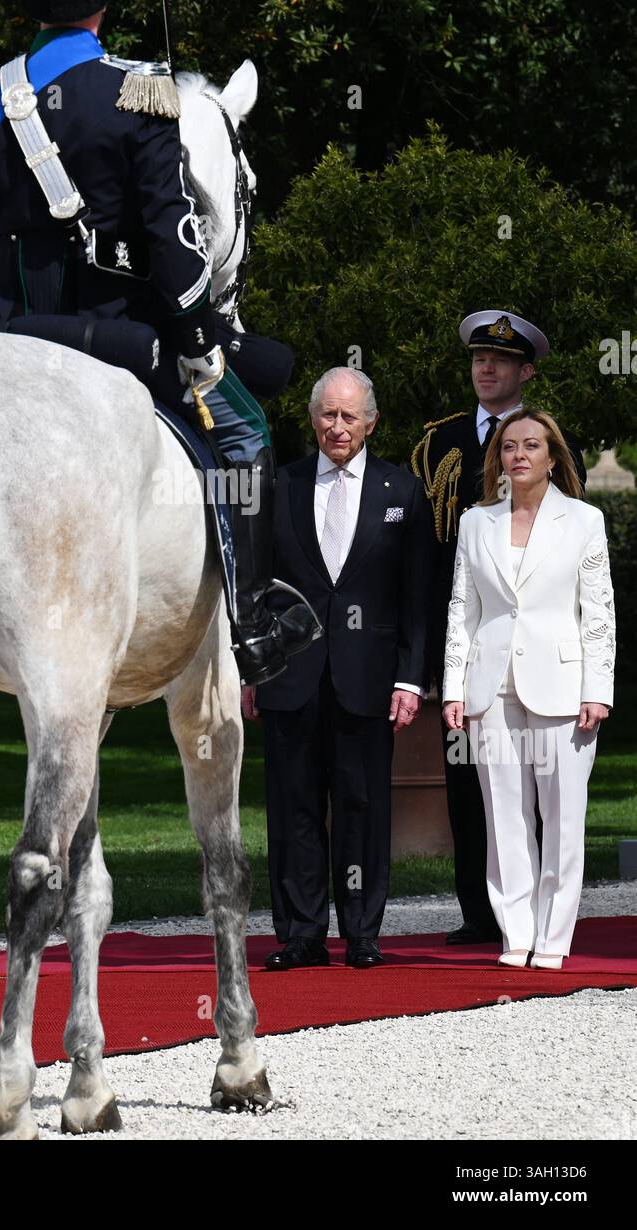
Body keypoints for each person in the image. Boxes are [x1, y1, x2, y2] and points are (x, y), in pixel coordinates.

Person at [0, 0, 316, 686]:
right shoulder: (135, 94)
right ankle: (253, 622)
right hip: (115, 334)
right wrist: (199, 335)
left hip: (3, 329)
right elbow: (176, 244)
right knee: (244, 425)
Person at [244, 368, 430, 969]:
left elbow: (416, 597)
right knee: (293, 805)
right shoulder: (281, 484)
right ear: (312, 418)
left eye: (350, 416)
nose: (338, 426)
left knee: (363, 805)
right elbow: (253, 588)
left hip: (368, 681)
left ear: (371, 422)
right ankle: (300, 934)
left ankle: (362, 931)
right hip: (289, 677)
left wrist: (409, 677)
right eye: (328, 414)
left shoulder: (402, 492)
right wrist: (251, 670)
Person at [411, 311, 587, 945]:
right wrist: (433, 656)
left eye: (500, 362)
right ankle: (480, 914)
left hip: (543, 656)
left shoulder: (547, 440)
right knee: (472, 786)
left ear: (524, 371)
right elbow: (430, 561)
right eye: (479, 360)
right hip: (468, 642)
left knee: (544, 797)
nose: (486, 369)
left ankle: (543, 924)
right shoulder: (441, 441)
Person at [442, 408, 615, 969]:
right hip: (492, 690)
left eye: (531, 445)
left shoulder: (584, 520)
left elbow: (599, 615)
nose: (518, 454)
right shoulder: (475, 522)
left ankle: (555, 938)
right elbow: (462, 612)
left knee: (564, 817)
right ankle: (516, 933)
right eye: (509, 446)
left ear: (552, 456)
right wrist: (453, 688)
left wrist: (599, 690)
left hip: (565, 687)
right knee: (505, 819)